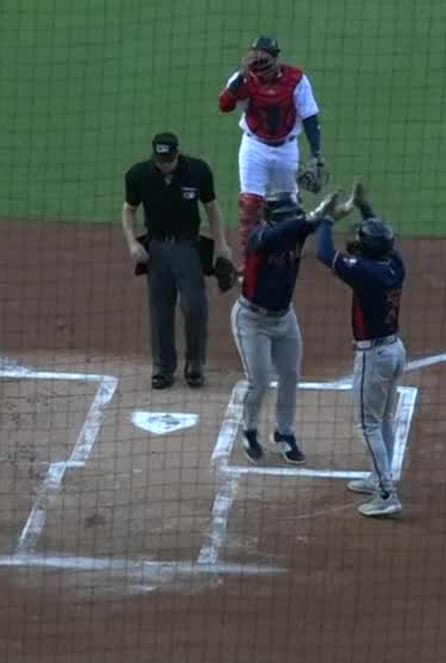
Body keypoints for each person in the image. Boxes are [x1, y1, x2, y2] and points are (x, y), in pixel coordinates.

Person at [312, 181, 407, 518]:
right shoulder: (394, 265)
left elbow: (324, 254)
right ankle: (378, 477)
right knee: (381, 419)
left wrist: (325, 218)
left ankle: (386, 493)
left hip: (375, 357)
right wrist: (365, 208)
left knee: (368, 424)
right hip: (394, 350)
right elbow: (381, 236)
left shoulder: (365, 273)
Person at [232, 190, 337, 464]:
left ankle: (284, 433)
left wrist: (337, 210)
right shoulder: (260, 237)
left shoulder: (295, 232)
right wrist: (310, 217)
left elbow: (318, 221)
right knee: (260, 380)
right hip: (251, 320)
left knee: (290, 375)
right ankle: (250, 431)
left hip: (284, 318)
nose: (295, 222)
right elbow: (285, 232)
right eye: (290, 218)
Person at [122, 132, 233, 389]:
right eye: (160, 160)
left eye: (168, 159)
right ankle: (163, 367)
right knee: (160, 308)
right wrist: (132, 242)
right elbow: (129, 209)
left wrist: (222, 245)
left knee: (195, 305)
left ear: (177, 154)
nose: (164, 164)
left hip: (188, 247)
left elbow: (212, 208)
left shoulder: (198, 171)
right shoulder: (139, 175)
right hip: (157, 249)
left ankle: (195, 363)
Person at [218, 35, 328, 258]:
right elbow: (225, 105)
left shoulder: (296, 79)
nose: (261, 70)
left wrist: (316, 154)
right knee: (250, 205)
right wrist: (240, 76)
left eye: (265, 63)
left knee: (288, 205)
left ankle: (289, 250)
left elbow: (310, 118)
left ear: (276, 59)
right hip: (254, 147)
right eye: (256, 64)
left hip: (287, 149)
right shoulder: (244, 80)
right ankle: (251, 257)